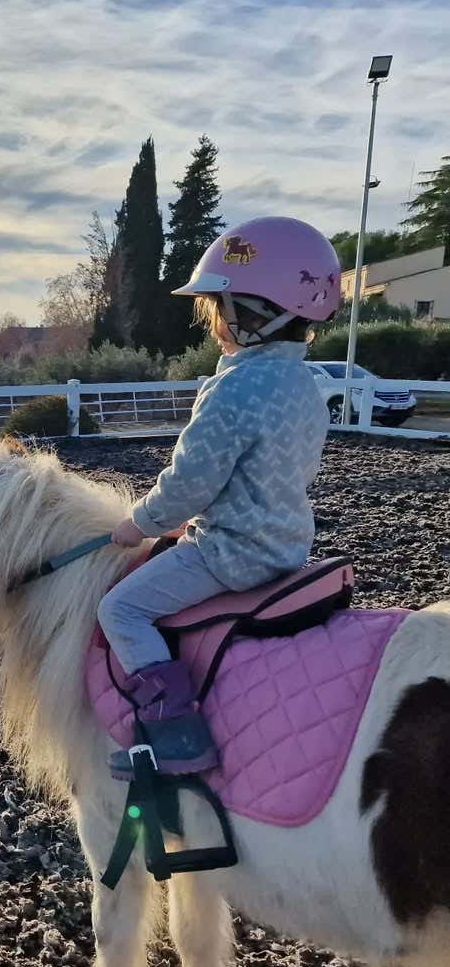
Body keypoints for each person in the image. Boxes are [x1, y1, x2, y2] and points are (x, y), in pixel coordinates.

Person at [98, 216, 339, 779]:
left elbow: (190, 482)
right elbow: (275, 471)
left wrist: (142, 522)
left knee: (121, 608)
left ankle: (177, 732)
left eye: (219, 312)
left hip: (230, 553)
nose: (215, 327)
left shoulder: (234, 388)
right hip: (286, 545)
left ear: (254, 313)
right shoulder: (306, 384)